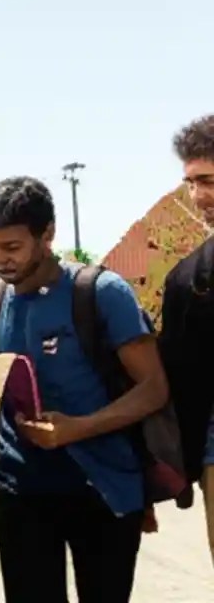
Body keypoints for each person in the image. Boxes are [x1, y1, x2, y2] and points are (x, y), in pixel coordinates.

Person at [0, 176, 169, 603]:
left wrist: (77, 428)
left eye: (11, 247)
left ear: (48, 235)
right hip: (20, 492)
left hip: (102, 489)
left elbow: (154, 388)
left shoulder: (100, 293)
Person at [161, 113, 214, 565]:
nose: (198, 197)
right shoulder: (187, 280)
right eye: (192, 183)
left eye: (209, 180)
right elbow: (176, 375)